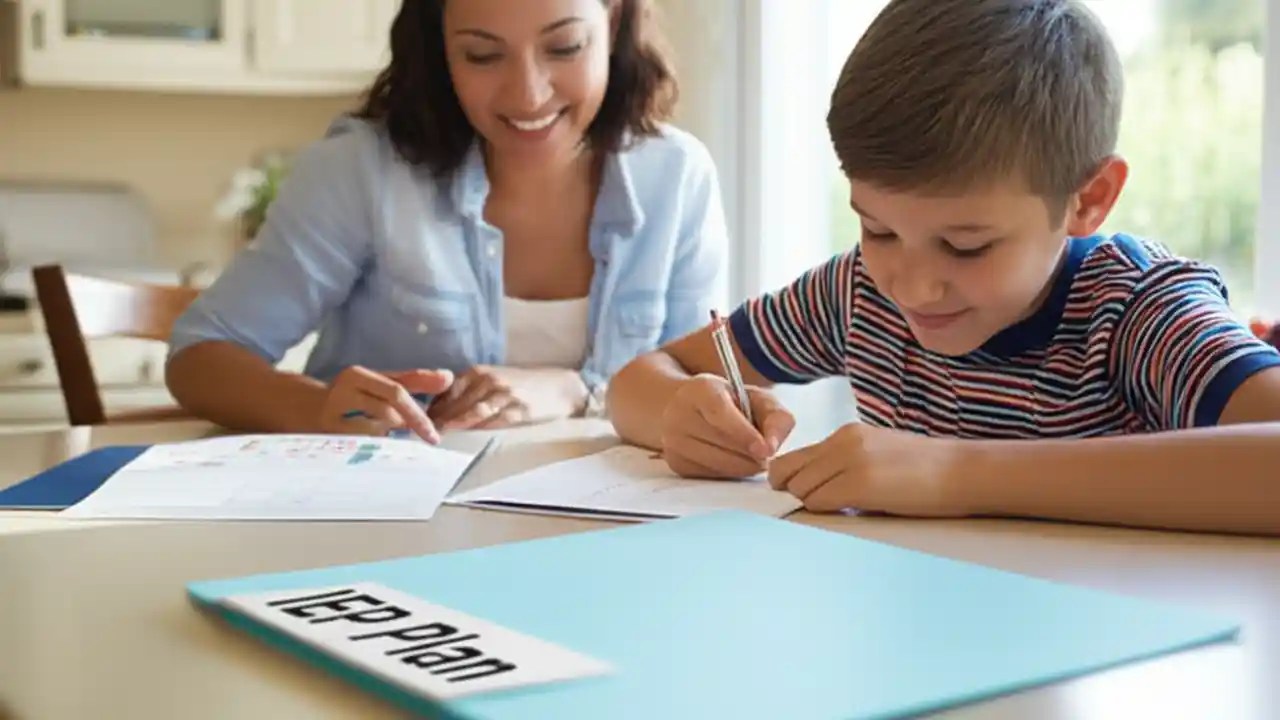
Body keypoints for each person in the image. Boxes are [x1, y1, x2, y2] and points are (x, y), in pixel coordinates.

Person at [607, 0, 1280, 535]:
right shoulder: (857, 292)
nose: (911, 284)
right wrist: (682, 415)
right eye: (877, 227)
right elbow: (638, 381)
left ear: (1088, 199)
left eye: (966, 246)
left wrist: (953, 474)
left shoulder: (1135, 309)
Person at [166, 0, 726, 444]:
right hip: (381, 529)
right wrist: (314, 407)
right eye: (483, 55)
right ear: (439, 48)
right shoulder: (362, 170)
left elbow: (700, 386)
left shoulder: (677, 176)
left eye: (564, 46)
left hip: (599, 532)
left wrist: (578, 390)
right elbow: (201, 357)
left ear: (613, 19)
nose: (528, 93)